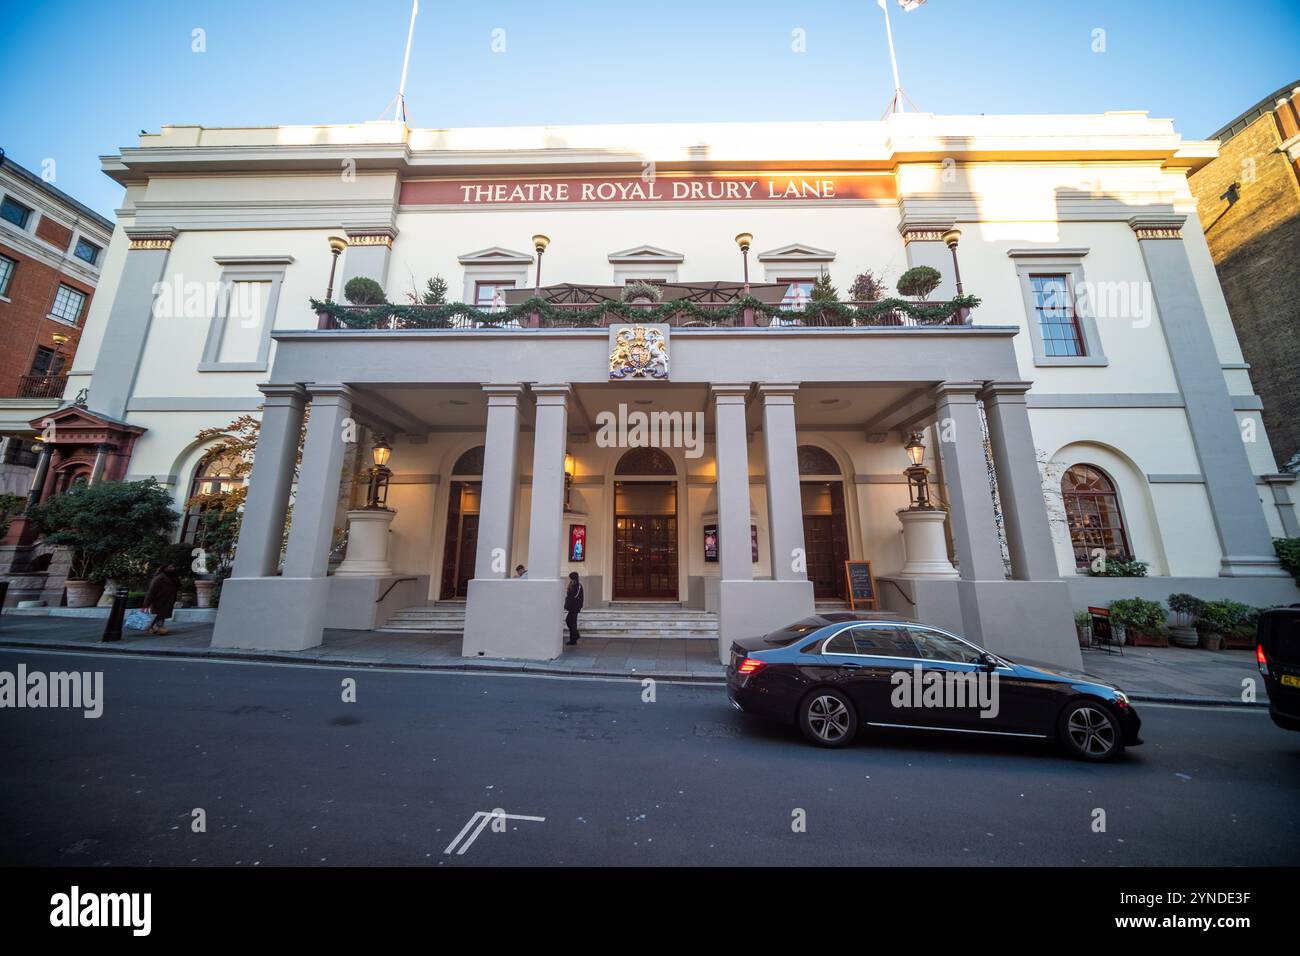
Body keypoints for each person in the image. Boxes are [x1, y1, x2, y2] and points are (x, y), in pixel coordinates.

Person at [143, 563, 181, 636]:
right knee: (159, 615)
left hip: (167, 599)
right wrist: (146, 604)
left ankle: (153, 627)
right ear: (165, 568)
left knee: (161, 615)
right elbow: (151, 591)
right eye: (170, 567)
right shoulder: (159, 578)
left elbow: (177, 586)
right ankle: (159, 628)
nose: (173, 569)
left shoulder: (172, 577)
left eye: (173, 567)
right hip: (159, 600)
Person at [564, 571, 584, 646]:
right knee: (571, 622)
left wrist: (568, 604)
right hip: (572, 607)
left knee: (570, 621)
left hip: (575, 607)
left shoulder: (578, 585)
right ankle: (574, 638)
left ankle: (574, 637)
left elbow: (574, 596)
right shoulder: (572, 584)